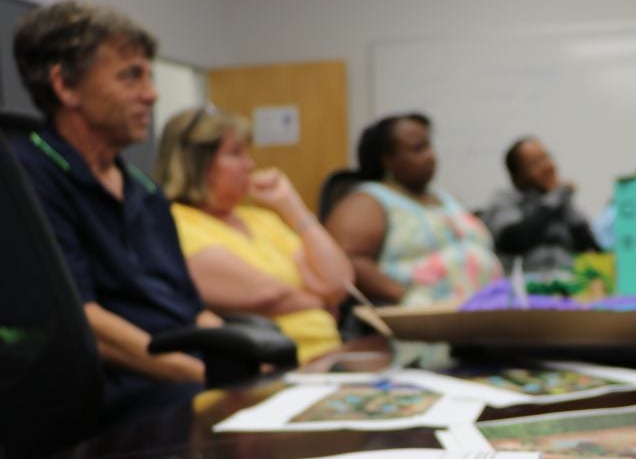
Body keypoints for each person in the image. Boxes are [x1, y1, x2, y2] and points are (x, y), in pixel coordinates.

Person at [10, 0, 221, 420]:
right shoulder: (26, 179)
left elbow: (193, 309)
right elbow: (79, 322)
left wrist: (247, 361)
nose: (152, 93)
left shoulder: (146, 192)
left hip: (186, 382)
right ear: (66, 86)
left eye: (150, 75)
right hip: (123, 400)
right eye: (131, 76)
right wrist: (201, 373)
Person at [155, 106, 353, 363]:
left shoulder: (261, 219)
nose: (250, 164)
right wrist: (321, 302)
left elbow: (339, 282)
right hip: (269, 369)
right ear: (197, 163)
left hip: (329, 357)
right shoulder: (174, 222)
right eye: (235, 154)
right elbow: (266, 294)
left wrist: (291, 206)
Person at [326, 113, 502, 308]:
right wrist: (405, 296)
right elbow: (347, 259)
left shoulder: (445, 197)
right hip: (419, 320)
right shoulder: (368, 201)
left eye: (429, 146)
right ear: (387, 159)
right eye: (418, 148)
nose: (431, 156)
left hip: (485, 311)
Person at [479, 137, 599, 273]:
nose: (548, 166)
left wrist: (566, 206)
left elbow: (591, 249)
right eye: (536, 163)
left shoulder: (561, 201)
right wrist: (551, 203)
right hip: (524, 287)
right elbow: (513, 240)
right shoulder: (504, 200)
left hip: (566, 284)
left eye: (547, 157)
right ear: (518, 177)